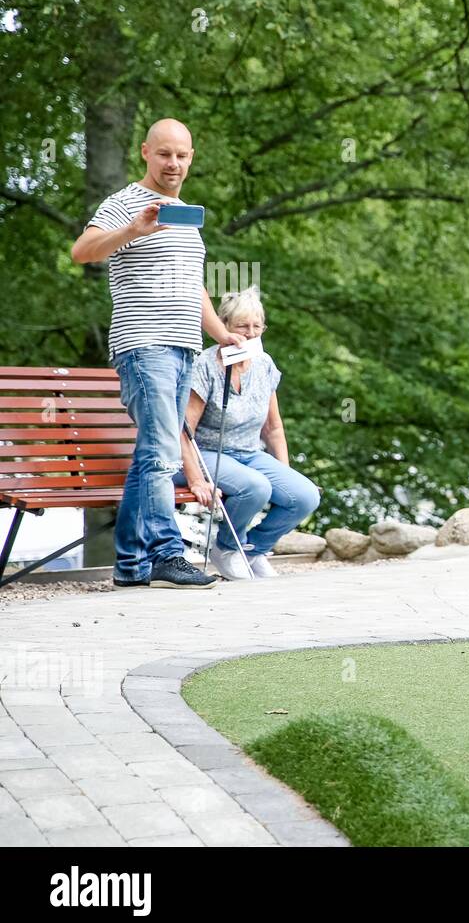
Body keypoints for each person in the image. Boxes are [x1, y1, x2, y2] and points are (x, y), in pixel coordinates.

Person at [71, 118, 244, 590]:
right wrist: (133, 229)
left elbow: (194, 287)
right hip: (144, 342)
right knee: (163, 452)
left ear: (191, 157)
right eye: (165, 154)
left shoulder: (186, 214)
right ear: (146, 152)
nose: (174, 163)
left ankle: (130, 565)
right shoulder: (125, 204)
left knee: (152, 452)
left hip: (183, 346)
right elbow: (82, 251)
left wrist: (220, 335)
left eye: (182, 155)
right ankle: (167, 554)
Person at [175, 286, 321, 580]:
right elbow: (184, 429)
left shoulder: (264, 364)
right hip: (204, 454)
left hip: (249, 453)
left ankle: (253, 550)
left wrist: (286, 474)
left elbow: (273, 427)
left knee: (304, 496)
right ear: (224, 327)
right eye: (242, 326)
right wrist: (196, 478)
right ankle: (227, 548)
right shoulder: (206, 365)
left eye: (257, 326)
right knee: (256, 487)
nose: (251, 333)